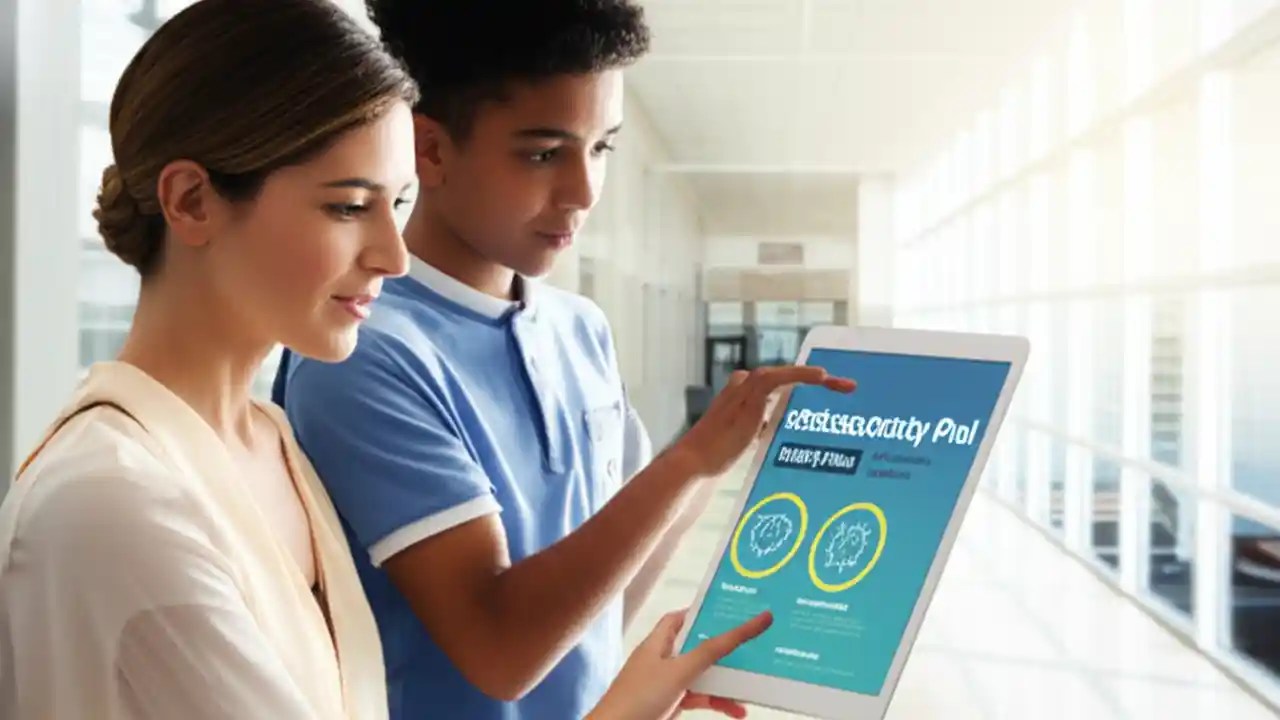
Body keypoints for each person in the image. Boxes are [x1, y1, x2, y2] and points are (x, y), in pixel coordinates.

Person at [0, 1, 836, 718]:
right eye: (348, 206)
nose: (395, 257)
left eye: (395, 204)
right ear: (191, 201)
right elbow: (497, 645)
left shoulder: (269, 446)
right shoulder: (116, 501)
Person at [273, 2, 857, 719]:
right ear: (428, 152)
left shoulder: (580, 329)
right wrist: (690, 460)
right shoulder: (364, 354)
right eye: (544, 153)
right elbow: (501, 651)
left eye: (602, 148)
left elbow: (596, 611)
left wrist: (738, 449)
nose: (583, 192)